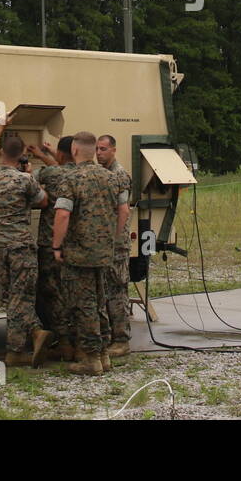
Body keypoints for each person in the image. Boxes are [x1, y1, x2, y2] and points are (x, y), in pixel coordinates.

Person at [0, 114, 51, 367]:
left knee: (10, 296)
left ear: (2, 153)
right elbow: (43, 201)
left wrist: (0, 127)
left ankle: (33, 334)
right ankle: (17, 349)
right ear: (23, 155)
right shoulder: (24, 180)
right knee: (22, 296)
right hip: (21, 246)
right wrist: (30, 174)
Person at [51, 131, 121, 375]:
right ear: (94, 151)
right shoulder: (111, 178)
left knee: (84, 305)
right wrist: (112, 238)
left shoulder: (71, 179)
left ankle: (90, 359)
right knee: (100, 301)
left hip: (79, 254)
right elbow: (122, 210)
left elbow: (62, 214)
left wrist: (57, 246)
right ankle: (103, 354)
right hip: (103, 252)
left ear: (74, 150)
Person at [27, 135, 75, 360]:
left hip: (51, 242)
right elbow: (61, 168)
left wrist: (29, 165)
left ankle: (63, 341)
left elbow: (31, 180)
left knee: (52, 292)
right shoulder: (85, 173)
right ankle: (82, 342)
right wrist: (44, 155)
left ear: (62, 154)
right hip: (76, 243)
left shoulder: (52, 174)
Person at [96, 134, 133, 357]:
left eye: (103, 149)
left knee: (118, 291)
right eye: (97, 149)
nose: (99, 153)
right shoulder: (103, 174)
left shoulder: (119, 175)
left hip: (116, 245)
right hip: (105, 243)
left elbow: (124, 210)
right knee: (106, 291)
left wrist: (116, 237)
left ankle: (121, 339)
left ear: (113, 150)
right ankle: (109, 336)